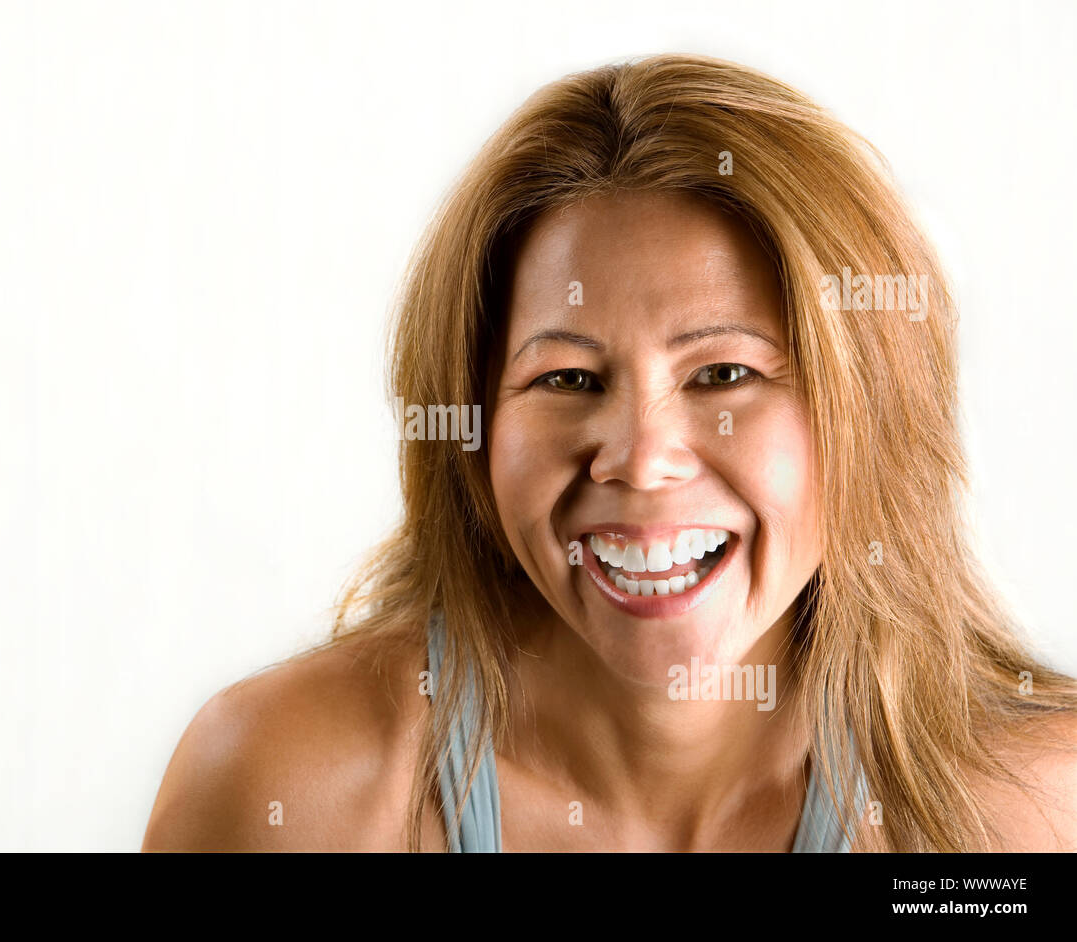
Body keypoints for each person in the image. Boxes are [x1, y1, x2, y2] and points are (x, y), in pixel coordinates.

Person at [142, 54, 1077, 852]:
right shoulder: (293, 793)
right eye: (567, 380)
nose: (640, 460)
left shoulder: (1036, 812)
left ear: (871, 410)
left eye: (722, 376)